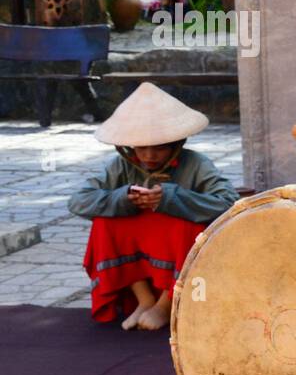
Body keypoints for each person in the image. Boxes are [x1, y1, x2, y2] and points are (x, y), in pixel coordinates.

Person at [68, 83, 238, 330]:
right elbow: (78, 201)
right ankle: (144, 299)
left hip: (178, 250)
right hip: (142, 259)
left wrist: (170, 199)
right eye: (141, 148)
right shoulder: (120, 166)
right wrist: (123, 199)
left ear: (176, 143)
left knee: (187, 225)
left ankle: (165, 305)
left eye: (159, 148)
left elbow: (228, 203)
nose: (149, 156)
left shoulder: (197, 163)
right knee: (104, 222)